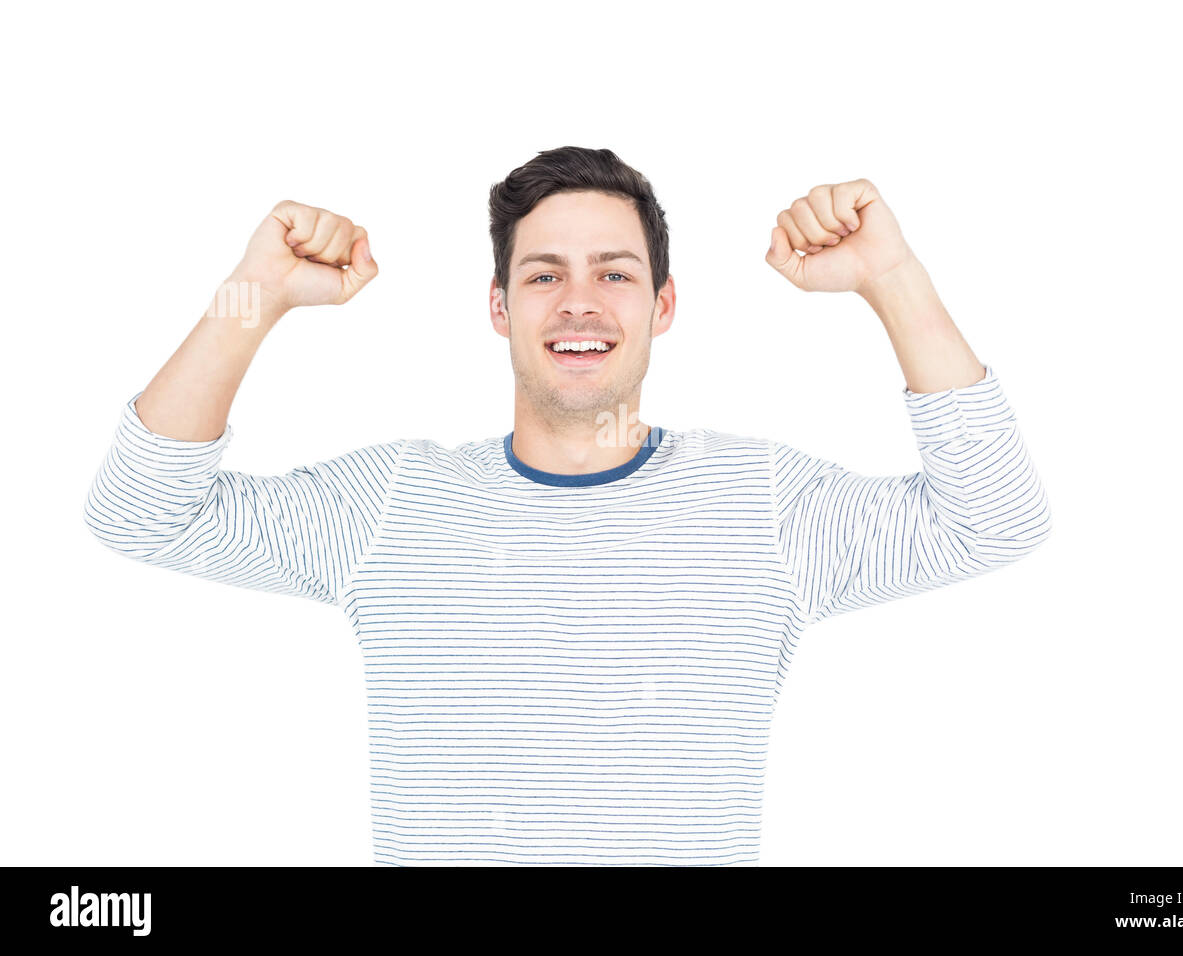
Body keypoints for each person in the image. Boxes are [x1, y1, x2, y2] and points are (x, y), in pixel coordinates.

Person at [84, 145, 1052, 866]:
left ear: (663, 305)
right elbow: (138, 508)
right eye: (543, 274)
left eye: (614, 274)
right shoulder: (392, 504)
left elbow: (996, 515)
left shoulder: (763, 506)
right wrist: (257, 291)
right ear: (499, 307)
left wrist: (890, 279)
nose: (578, 302)